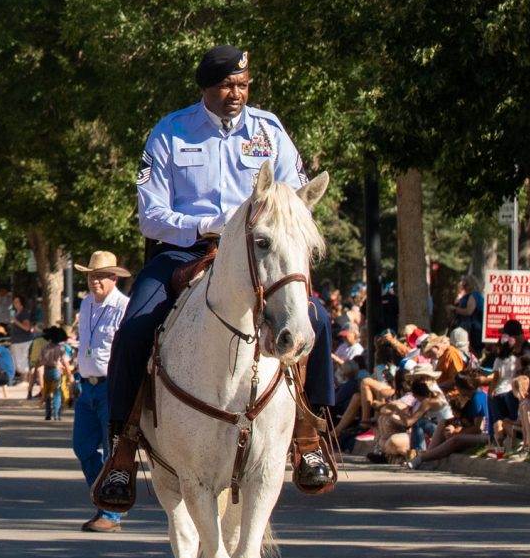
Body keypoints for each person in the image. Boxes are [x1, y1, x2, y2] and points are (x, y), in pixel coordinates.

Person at [91, 47, 338, 514]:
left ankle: (309, 435)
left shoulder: (270, 131)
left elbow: (296, 194)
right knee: (135, 329)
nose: (236, 94)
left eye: (243, 86)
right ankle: (123, 448)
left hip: (260, 254)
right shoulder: (170, 132)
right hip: (187, 250)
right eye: (227, 86)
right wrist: (206, 226)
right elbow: (151, 215)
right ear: (205, 87)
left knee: (316, 320)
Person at [72, 251, 130, 532]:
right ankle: (105, 499)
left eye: (100, 276)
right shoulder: (85, 305)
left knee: (111, 451)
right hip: (87, 387)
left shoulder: (123, 306)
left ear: (114, 277)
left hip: (110, 386)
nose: (94, 281)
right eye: (91, 275)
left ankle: (110, 512)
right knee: (82, 447)